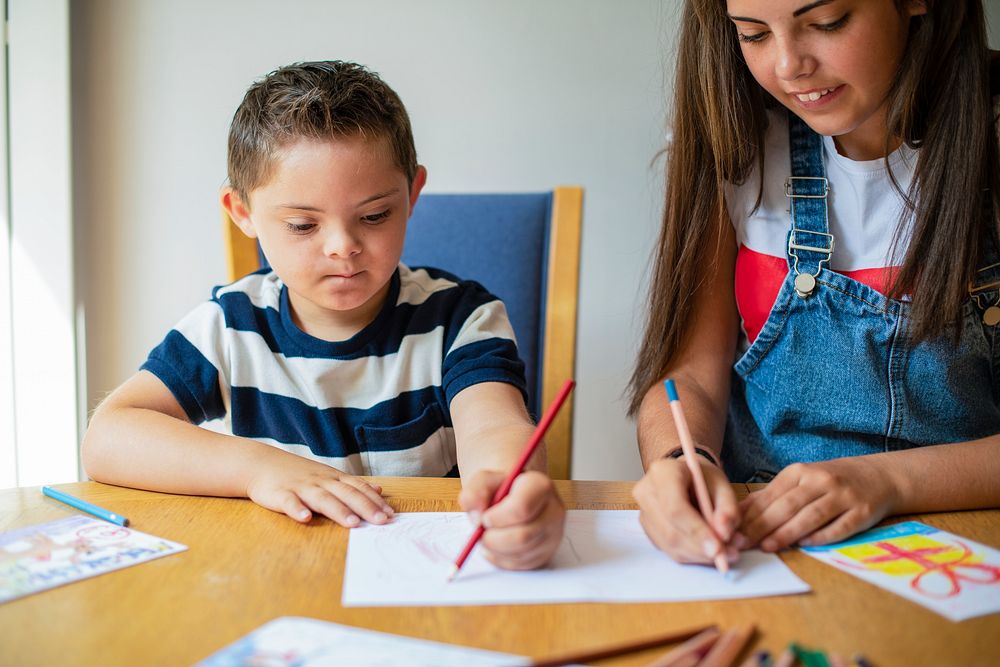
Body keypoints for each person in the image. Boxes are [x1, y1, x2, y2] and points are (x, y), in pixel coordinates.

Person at [82, 61, 565, 571]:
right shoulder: (229, 326)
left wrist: (511, 486)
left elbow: (493, 427)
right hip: (279, 579)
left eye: (374, 216)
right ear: (242, 212)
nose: (343, 247)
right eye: (302, 224)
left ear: (412, 193)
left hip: (421, 578)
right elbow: (109, 437)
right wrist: (258, 469)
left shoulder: (462, 319)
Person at [628, 0, 1000, 567]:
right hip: (765, 547)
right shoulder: (740, 141)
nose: (788, 66)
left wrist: (888, 482)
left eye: (827, 23)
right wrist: (679, 460)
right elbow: (689, 378)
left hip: (964, 551)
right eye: (753, 35)